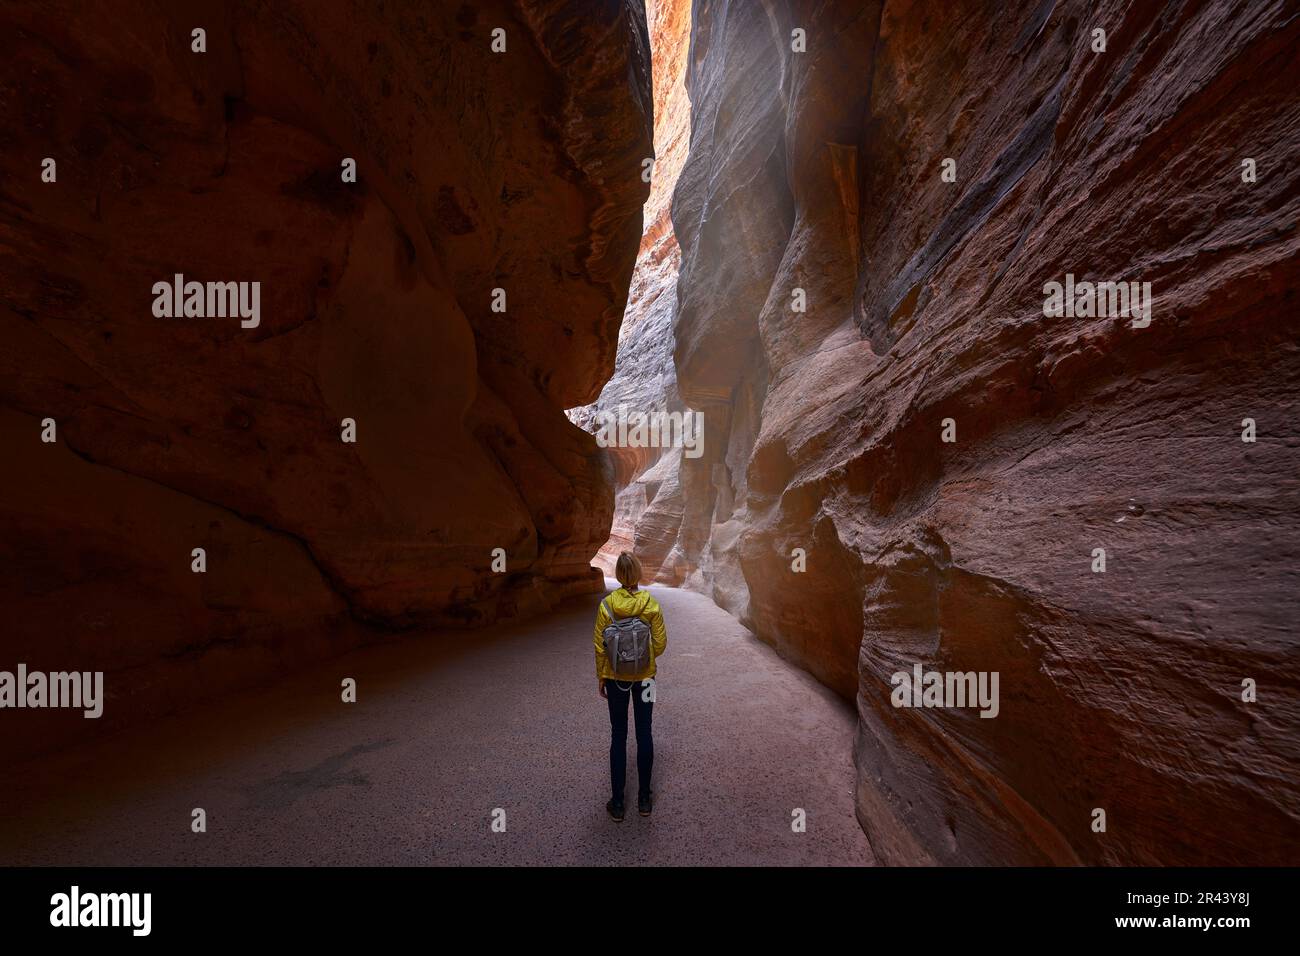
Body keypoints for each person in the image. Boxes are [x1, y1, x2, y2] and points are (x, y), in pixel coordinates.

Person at [594, 551, 667, 821]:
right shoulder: (651, 604)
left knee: (618, 735)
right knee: (645, 732)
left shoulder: (607, 606)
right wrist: (644, 659)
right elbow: (660, 644)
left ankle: (617, 802)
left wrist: (603, 676)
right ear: (637, 573)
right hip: (646, 679)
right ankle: (644, 799)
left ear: (619, 574)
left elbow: (599, 647)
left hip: (615, 680)